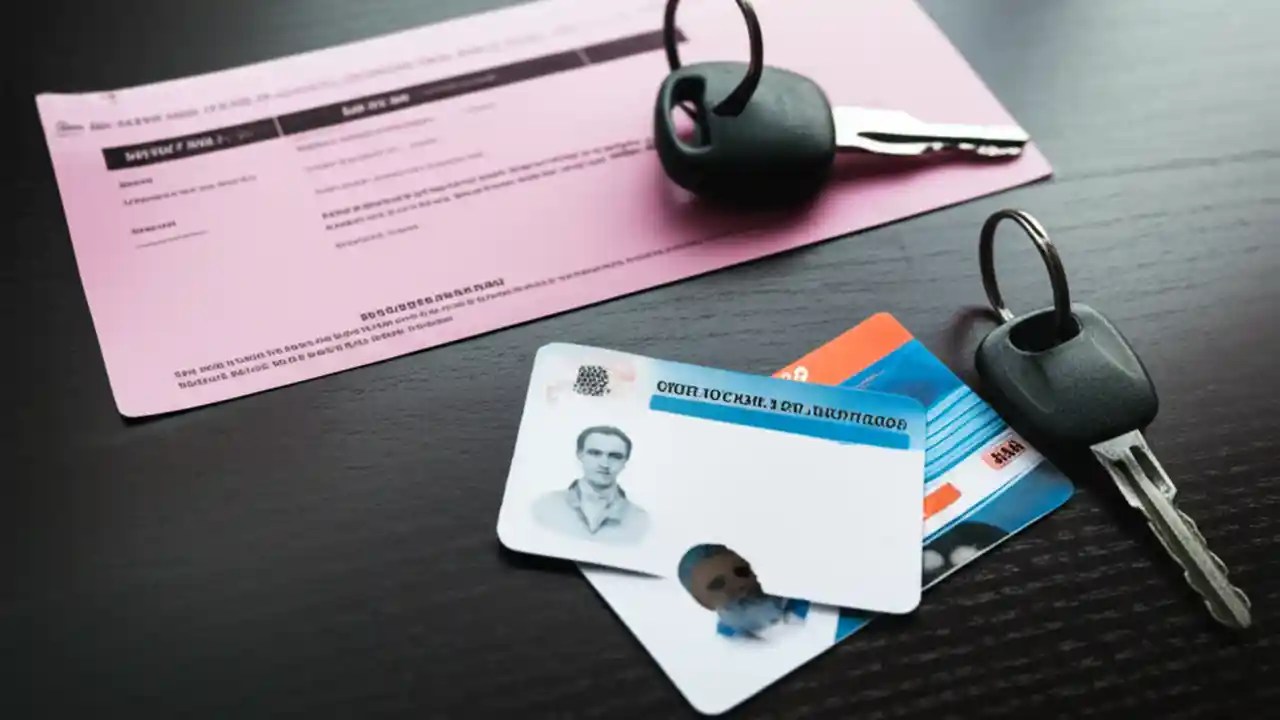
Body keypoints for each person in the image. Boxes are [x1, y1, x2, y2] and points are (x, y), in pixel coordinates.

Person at [531, 426, 649, 544]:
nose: (604, 464)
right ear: (580, 455)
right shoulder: (546, 505)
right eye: (595, 453)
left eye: (615, 456)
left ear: (625, 461)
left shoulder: (639, 520)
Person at [677, 544, 808, 638]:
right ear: (703, 602)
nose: (740, 584)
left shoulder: (810, 607)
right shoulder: (725, 651)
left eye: (741, 572)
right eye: (718, 584)